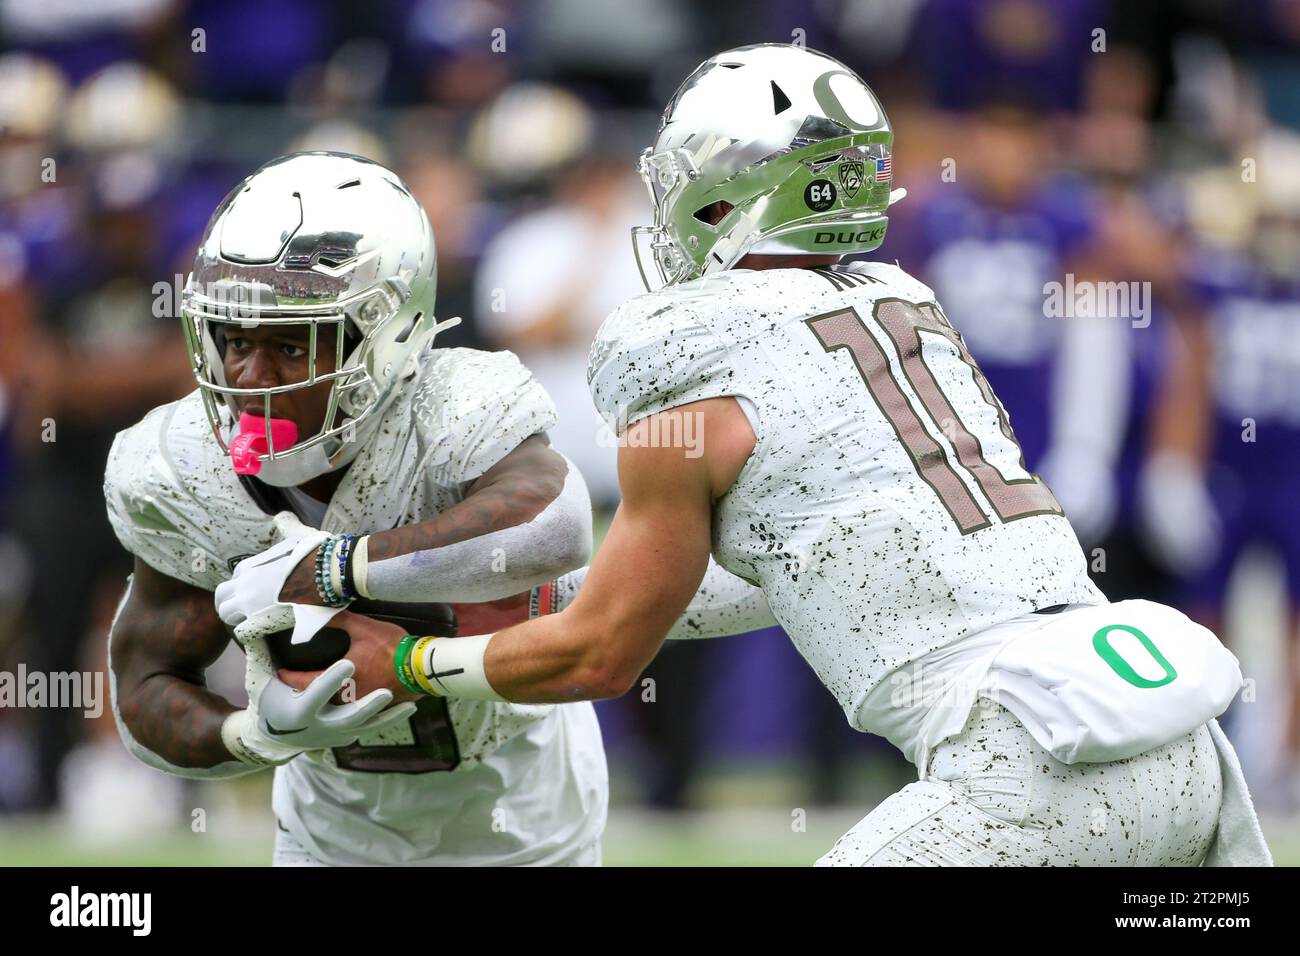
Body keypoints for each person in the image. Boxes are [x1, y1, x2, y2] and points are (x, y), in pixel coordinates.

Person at [305, 45, 1271, 866]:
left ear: (740, 195)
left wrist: (422, 660)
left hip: (1030, 764)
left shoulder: (688, 356)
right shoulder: (904, 311)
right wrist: (552, 599)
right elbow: (811, 572)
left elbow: (604, 656)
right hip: (1182, 750)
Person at [104, 151, 607, 866]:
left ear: (386, 336)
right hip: (329, 833)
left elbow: (552, 527)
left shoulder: (451, 408)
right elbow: (144, 685)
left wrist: (334, 569)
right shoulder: (183, 464)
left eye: (288, 342)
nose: (250, 377)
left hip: (522, 816)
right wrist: (252, 737)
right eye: (235, 338)